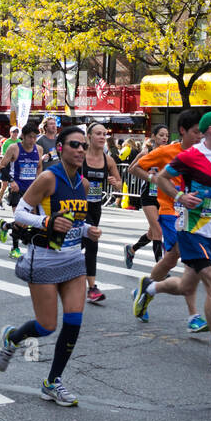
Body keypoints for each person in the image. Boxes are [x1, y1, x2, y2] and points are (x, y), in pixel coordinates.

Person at [132, 112, 211, 370]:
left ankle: (149, 288)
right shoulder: (191, 156)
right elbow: (162, 177)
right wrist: (179, 197)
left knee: (186, 285)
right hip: (190, 228)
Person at [0, 125, 100, 405]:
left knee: (74, 321)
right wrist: (47, 222)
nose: (80, 150)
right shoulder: (48, 178)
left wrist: (87, 230)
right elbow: (19, 213)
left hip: (74, 258)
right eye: (74, 145)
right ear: (61, 148)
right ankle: (12, 338)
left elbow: (74, 220)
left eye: (83, 146)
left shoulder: (84, 185)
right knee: (47, 325)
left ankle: (53, 382)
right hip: (44, 258)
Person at [127, 110, 207, 331]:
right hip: (171, 210)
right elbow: (135, 168)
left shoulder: (203, 153)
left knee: (171, 260)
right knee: (190, 260)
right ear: (183, 131)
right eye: (196, 132)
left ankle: (144, 290)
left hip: (193, 213)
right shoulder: (166, 151)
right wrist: (156, 180)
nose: (200, 137)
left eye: (202, 133)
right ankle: (193, 317)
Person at [81, 121, 123, 304]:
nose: (102, 137)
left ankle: (85, 283)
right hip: (77, 207)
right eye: (98, 133)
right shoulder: (80, 156)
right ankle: (92, 288)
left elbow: (120, 183)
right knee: (91, 243)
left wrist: (115, 182)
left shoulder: (108, 160)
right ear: (89, 137)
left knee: (82, 244)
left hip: (96, 207)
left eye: (104, 134)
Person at [123, 123, 170, 268]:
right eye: (161, 135)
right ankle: (160, 267)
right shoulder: (146, 153)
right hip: (148, 196)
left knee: (152, 233)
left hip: (163, 197)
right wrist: (150, 177)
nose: (165, 138)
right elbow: (131, 170)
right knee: (158, 231)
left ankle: (131, 250)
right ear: (154, 137)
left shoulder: (168, 152)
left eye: (167, 136)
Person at [0, 121, 43, 259]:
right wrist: (11, 182)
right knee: (20, 220)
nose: (32, 140)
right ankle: (14, 248)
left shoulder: (39, 149)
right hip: (17, 188)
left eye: (35, 137)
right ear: (23, 136)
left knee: (32, 221)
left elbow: (39, 166)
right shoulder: (14, 148)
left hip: (32, 190)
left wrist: (39, 180)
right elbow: (1, 166)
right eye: (30, 137)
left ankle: (5, 226)